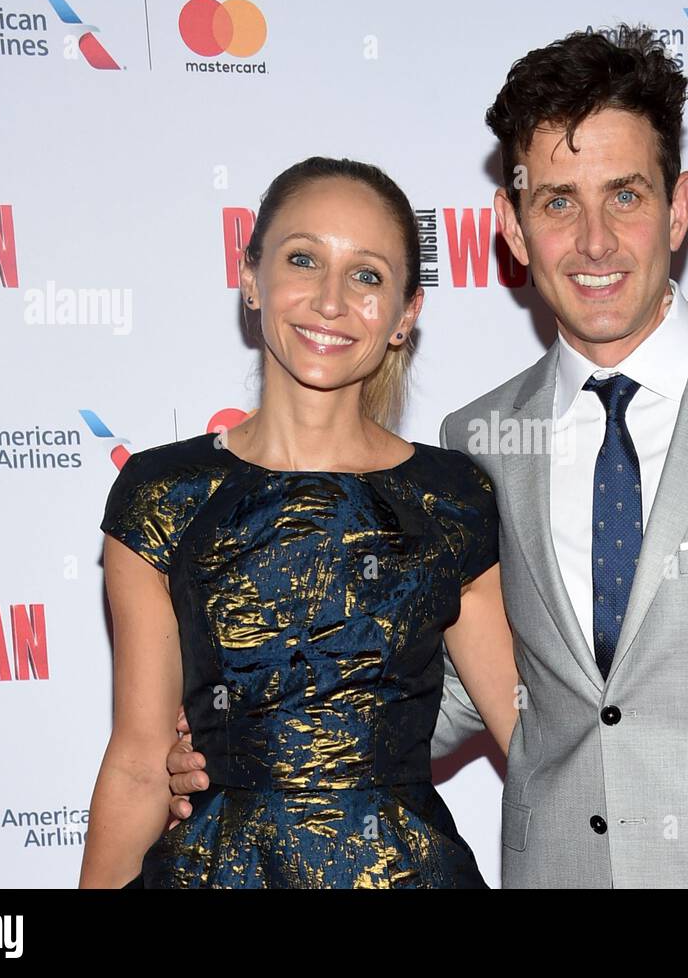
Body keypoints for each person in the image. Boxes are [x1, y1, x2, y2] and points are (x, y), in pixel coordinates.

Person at [167, 26, 688, 888]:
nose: (596, 241)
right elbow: (470, 680)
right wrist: (263, 746)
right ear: (512, 225)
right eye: (559, 202)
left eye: (627, 196)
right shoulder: (477, 445)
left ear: (679, 207)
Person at [79, 156, 519, 888]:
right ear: (251, 279)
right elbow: (136, 761)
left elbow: (532, 741)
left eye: (368, 275)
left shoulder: (453, 498)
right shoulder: (164, 494)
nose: (330, 299)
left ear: (406, 316)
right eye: (303, 258)